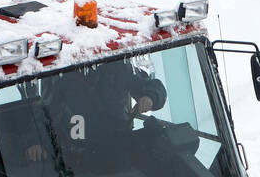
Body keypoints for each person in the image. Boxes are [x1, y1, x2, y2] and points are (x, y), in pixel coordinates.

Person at [27, 59, 167, 162]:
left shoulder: (118, 67)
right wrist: (35, 141)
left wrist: (150, 97)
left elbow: (152, 86)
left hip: (120, 149)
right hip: (79, 156)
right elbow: (45, 112)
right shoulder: (62, 75)